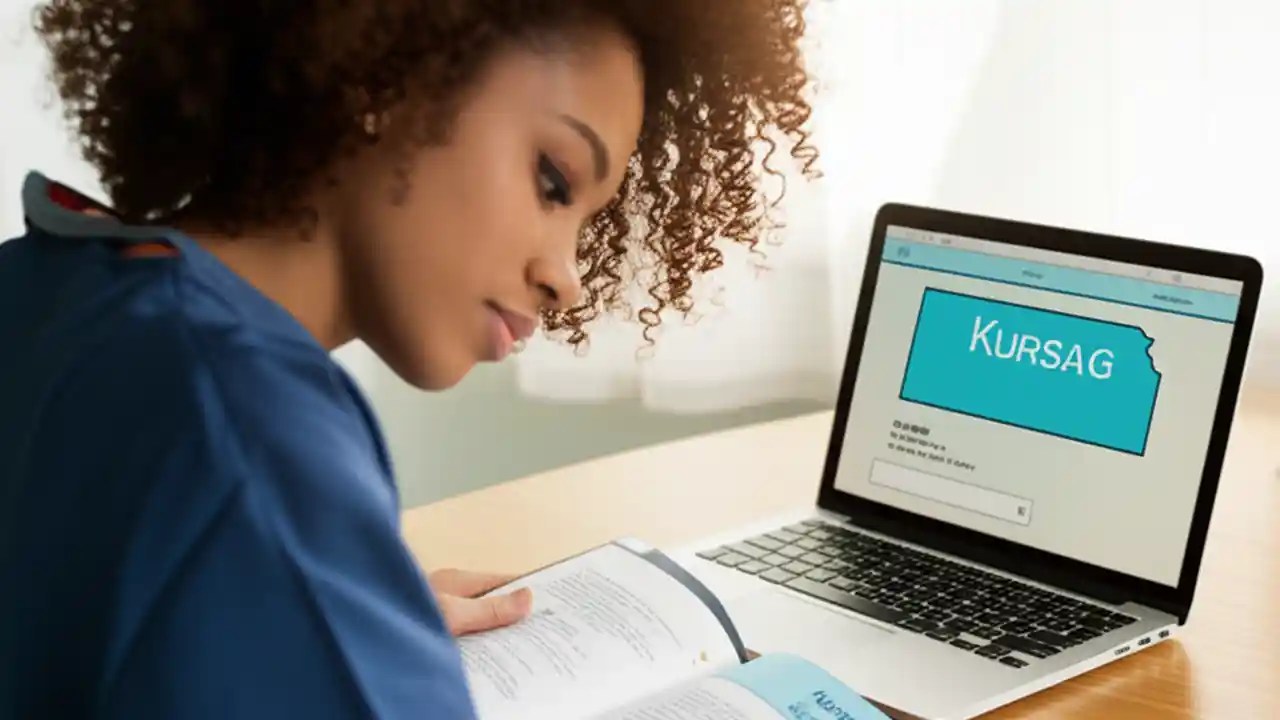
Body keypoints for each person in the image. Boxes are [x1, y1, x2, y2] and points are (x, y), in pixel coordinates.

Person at [0, 0, 817, 718]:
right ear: (381, 75)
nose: (567, 278)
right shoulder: (252, 424)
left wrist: (331, 613)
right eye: (552, 180)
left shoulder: (49, 278)